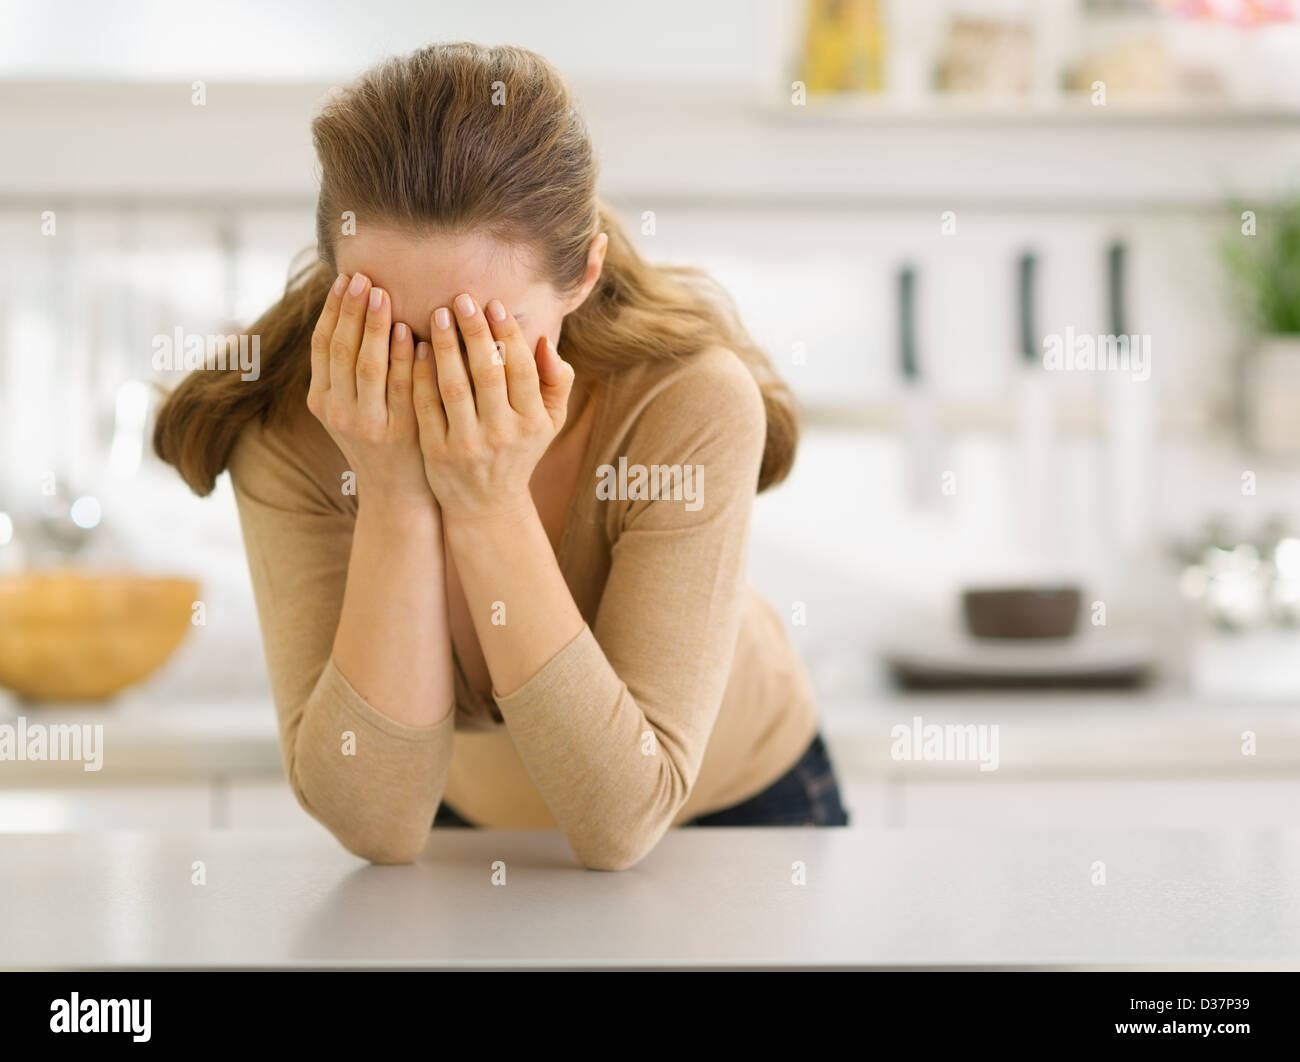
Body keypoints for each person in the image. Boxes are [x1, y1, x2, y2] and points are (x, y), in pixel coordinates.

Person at [154, 42, 850, 871]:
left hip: (738, 821)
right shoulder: (295, 423)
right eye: (394, 332)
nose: (439, 379)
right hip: (469, 832)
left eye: (484, 335)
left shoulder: (687, 401)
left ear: (582, 278)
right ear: (338, 283)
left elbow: (623, 819)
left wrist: (486, 504)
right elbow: (377, 825)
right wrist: (397, 499)